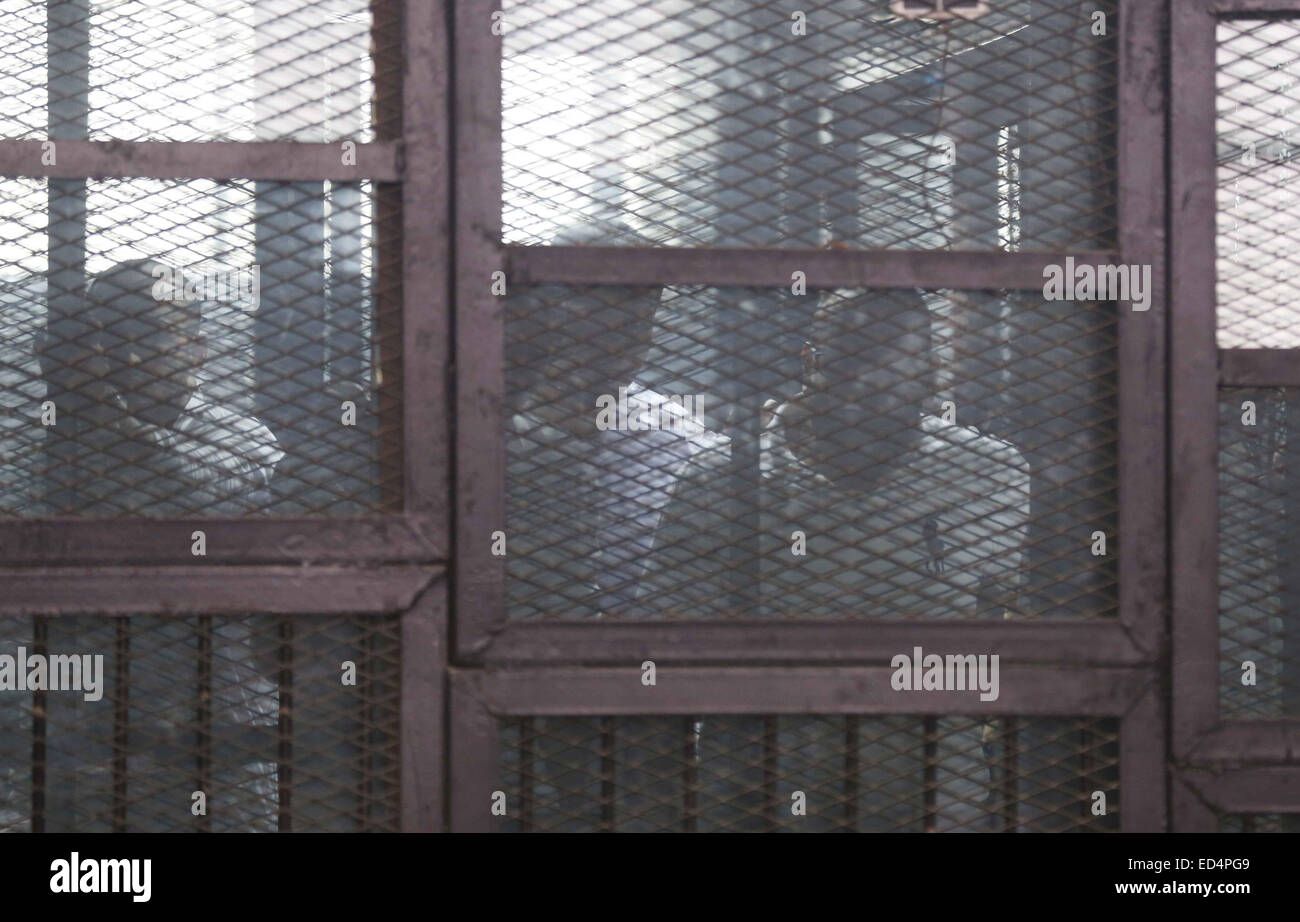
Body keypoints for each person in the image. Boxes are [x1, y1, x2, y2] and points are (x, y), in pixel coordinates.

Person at [638, 286, 1031, 829]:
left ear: (928, 373)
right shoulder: (720, 479)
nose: (875, 386)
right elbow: (665, 645)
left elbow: (1016, 631)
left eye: (902, 367)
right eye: (859, 360)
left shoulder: (986, 472)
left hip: (929, 800)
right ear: (810, 360)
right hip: (761, 801)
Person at [30, 258, 282, 831]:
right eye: (114, 340)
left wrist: (94, 407)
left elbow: (188, 488)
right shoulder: (67, 445)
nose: (131, 360)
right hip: (103, 735)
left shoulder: (243, 443)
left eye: (152, 336)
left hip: (226, 731)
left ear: (197, 345)